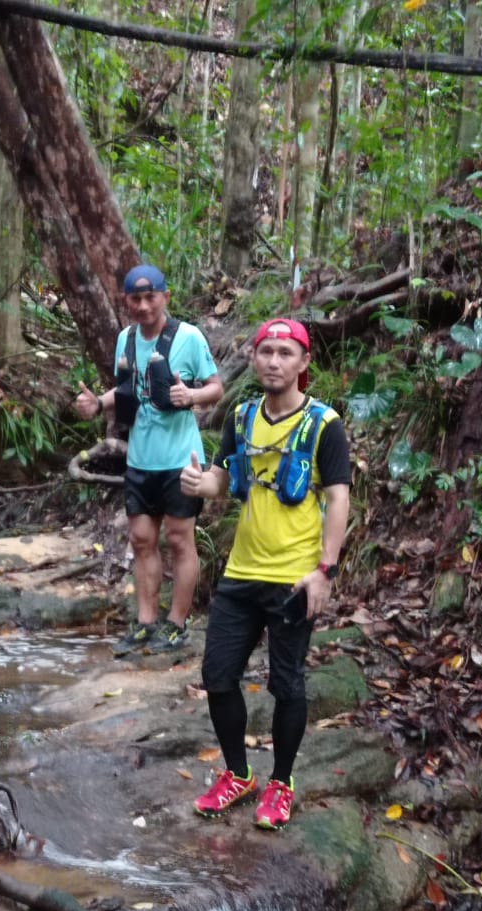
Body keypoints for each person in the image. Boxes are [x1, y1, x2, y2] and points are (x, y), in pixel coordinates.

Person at [179, 317, 350, 830]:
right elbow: (226, 479)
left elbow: (339, 497)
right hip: (241, 572)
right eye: (266, 352)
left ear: (303, 363)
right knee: (218, 676)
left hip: (295, 577)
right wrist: (199, 482)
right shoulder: (243, 414)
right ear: (254, 359)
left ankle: (281, 782)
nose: (273, 361)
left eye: (284, 352)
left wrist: (325, 571)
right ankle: (237, 773)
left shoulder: (325, 424)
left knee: (287, 683)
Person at [73, 264, 223, 655]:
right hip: (141, 458)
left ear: (165, 297)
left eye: (150, 297)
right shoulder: (126, 338)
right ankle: (144, 622)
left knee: (179, 539)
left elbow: (216, 388)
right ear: (126, 301)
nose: (143, 306)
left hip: (180, 458)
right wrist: (97, 404)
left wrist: (190, 397)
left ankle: (176, 623)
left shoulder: (188, 337)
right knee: (142, 540)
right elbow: (129, 390)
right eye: (135, 299)